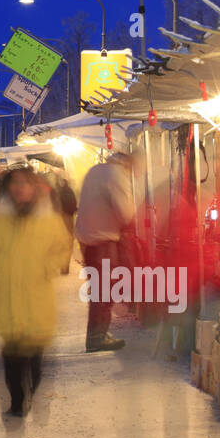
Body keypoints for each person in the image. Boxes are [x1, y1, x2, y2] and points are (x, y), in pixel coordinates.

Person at [0, 167, 73, 417]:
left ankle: (31, 391)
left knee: (35, 357)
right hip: (8, 299)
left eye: (24, 183)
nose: (19, 188)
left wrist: (48, 267)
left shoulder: (48, 220)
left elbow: (62, 247)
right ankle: (17, 401)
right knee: (11, 355)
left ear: (34, 188)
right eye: (14, 183)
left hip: (37, 299)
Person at [74, 150, 137, 352]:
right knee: (104, 288)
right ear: (127, 165)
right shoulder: (116, 175)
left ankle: (98, 333)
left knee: (99, 286)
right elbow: (125, 211)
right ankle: (96, 337)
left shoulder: (94, 171)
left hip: (88, 239)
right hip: (103, 239)